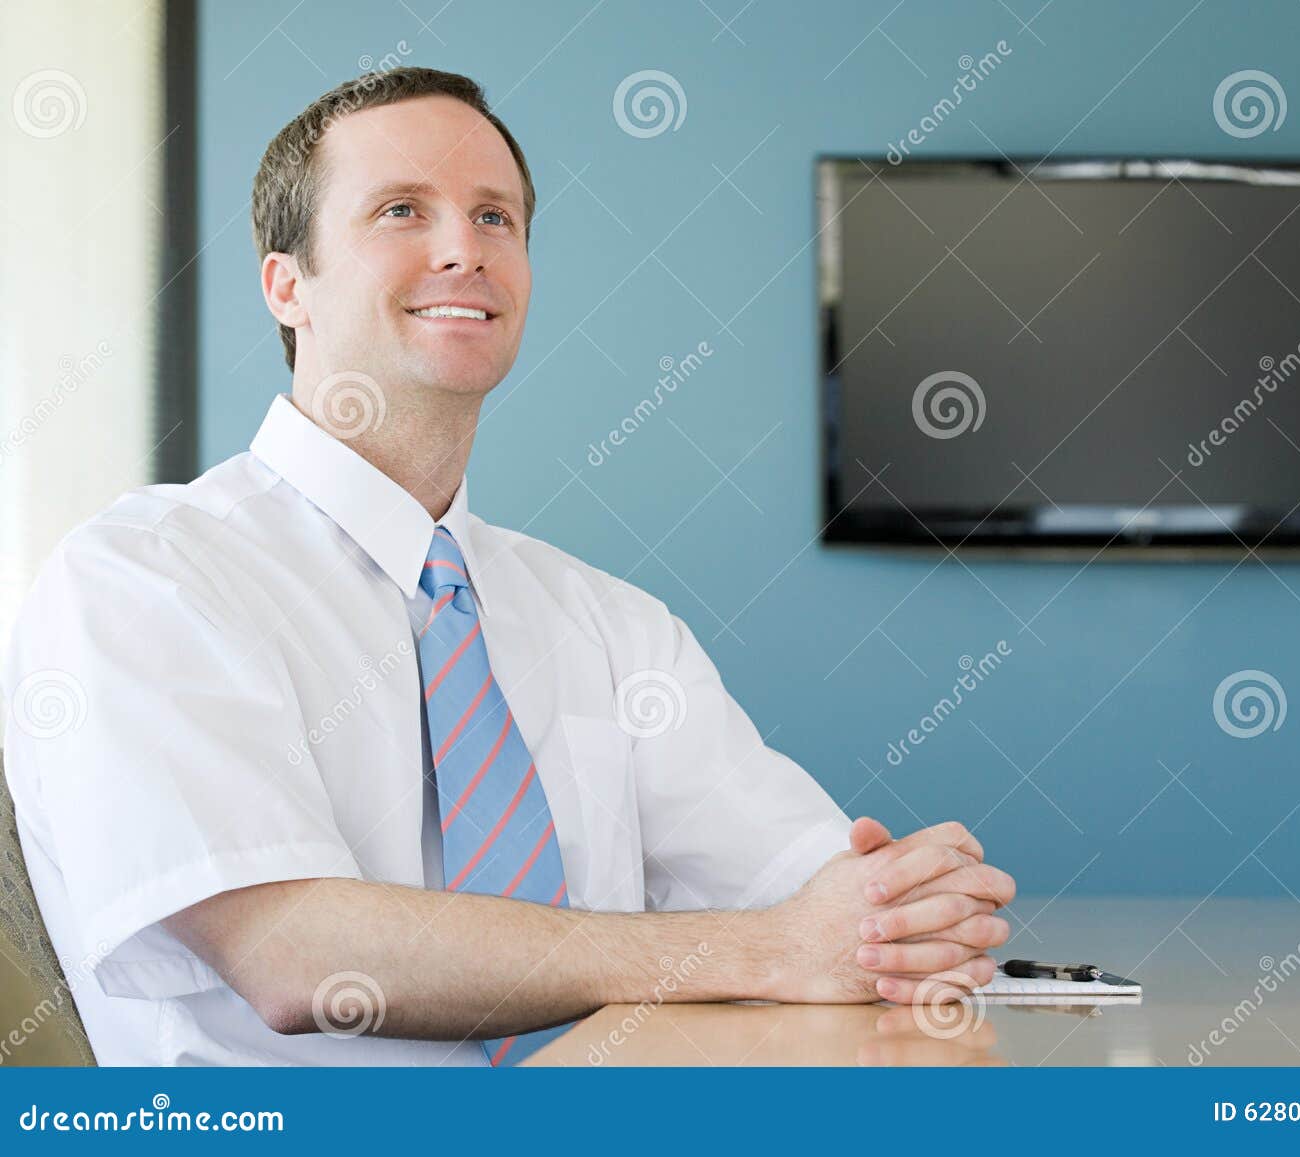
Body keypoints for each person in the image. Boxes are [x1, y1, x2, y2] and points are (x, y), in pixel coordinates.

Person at [0, 67, 1013, 1067]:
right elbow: (295, 958)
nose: (463, 249)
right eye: (402, 209)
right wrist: (769, 946)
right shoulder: (146, 576)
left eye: (496, 219)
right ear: (286, 283)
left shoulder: (612, 626)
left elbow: (820, 890)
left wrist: (909, 904)